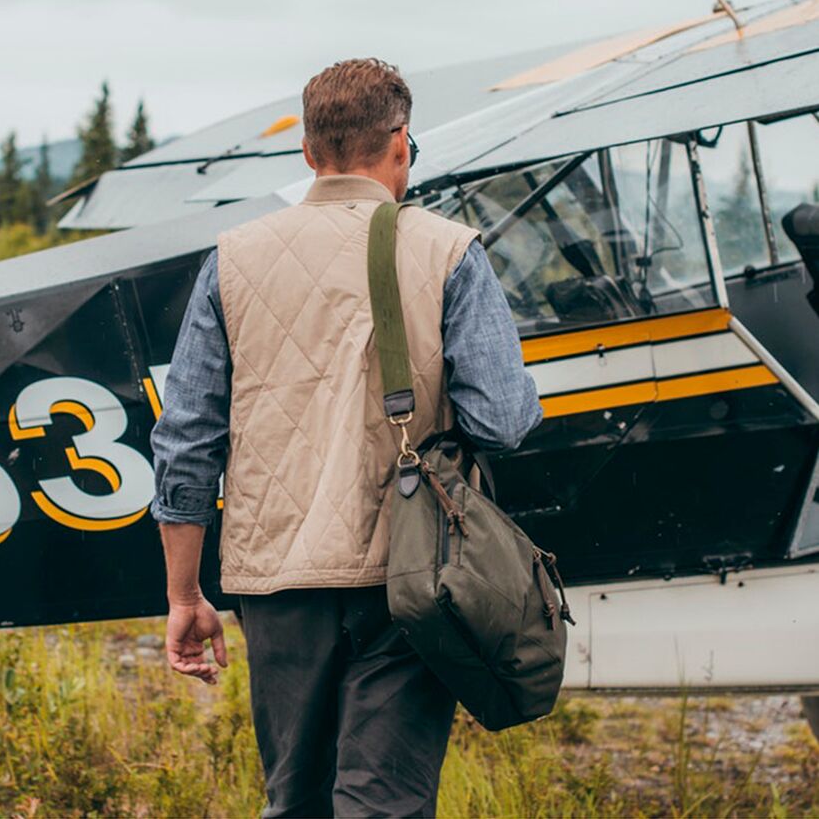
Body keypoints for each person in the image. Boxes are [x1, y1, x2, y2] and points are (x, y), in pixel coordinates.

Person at [150, 57, 542, 818]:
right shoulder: (451, 250)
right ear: (401, 144)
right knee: (383, 804)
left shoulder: (231, 258)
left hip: (276, 579)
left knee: (294, 800)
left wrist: (184, 593)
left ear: (307, 152)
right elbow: (501, 418)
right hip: (408, 574)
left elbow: (187, 437)